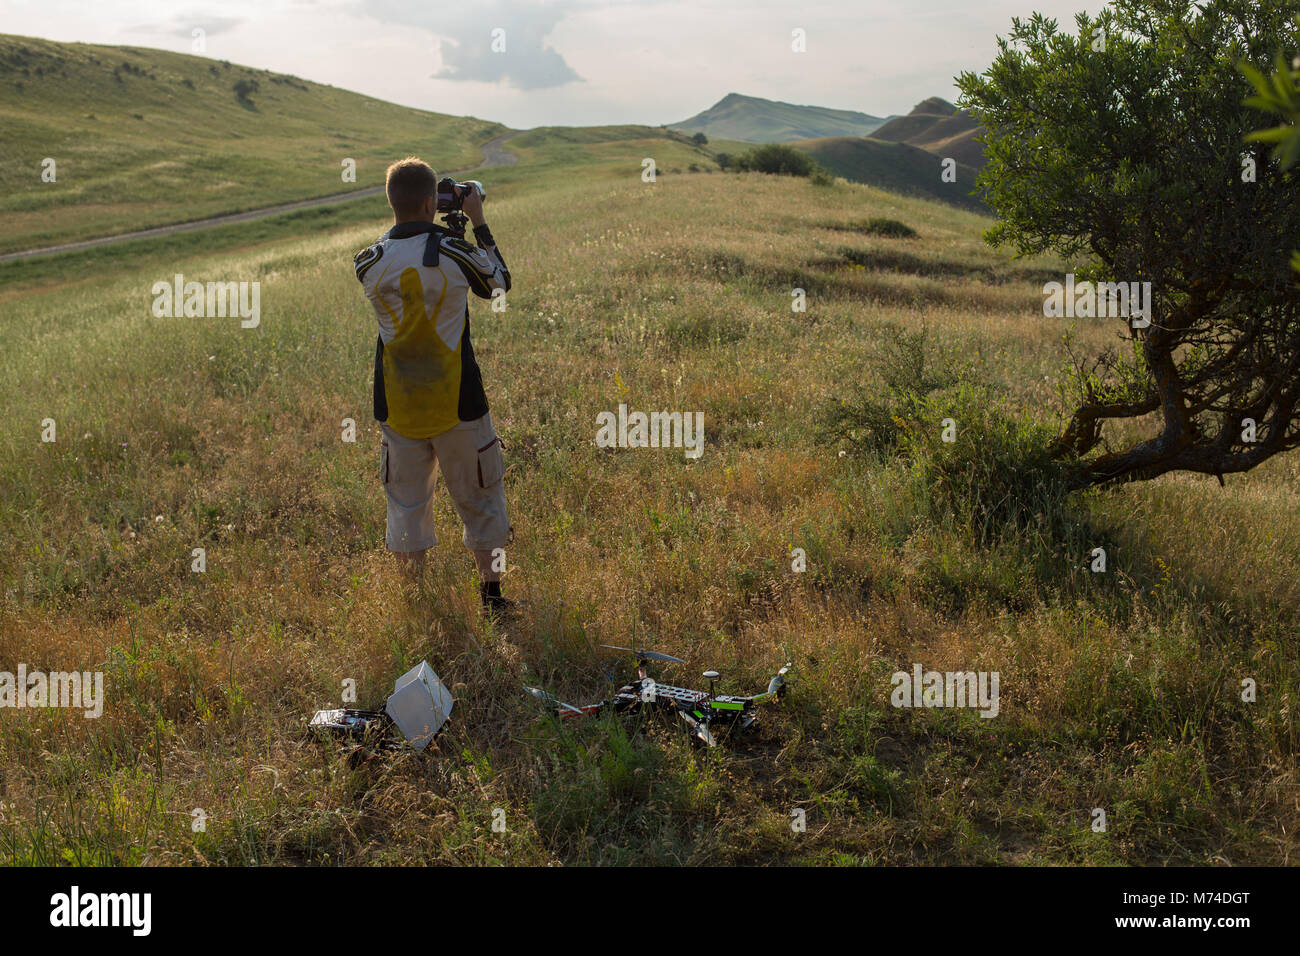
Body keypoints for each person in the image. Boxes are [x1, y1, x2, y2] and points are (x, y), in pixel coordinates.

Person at [352, 157, 513, 616]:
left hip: (397, 404)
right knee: (481, 498)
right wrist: (476, 221)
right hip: (459, 402)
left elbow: (396, 252)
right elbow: (498, 283)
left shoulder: (370, 260)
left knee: (406, 505)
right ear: (431, 202)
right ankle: (492, 600)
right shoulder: (453, 249)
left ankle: (415, 605)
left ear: (392, 202)